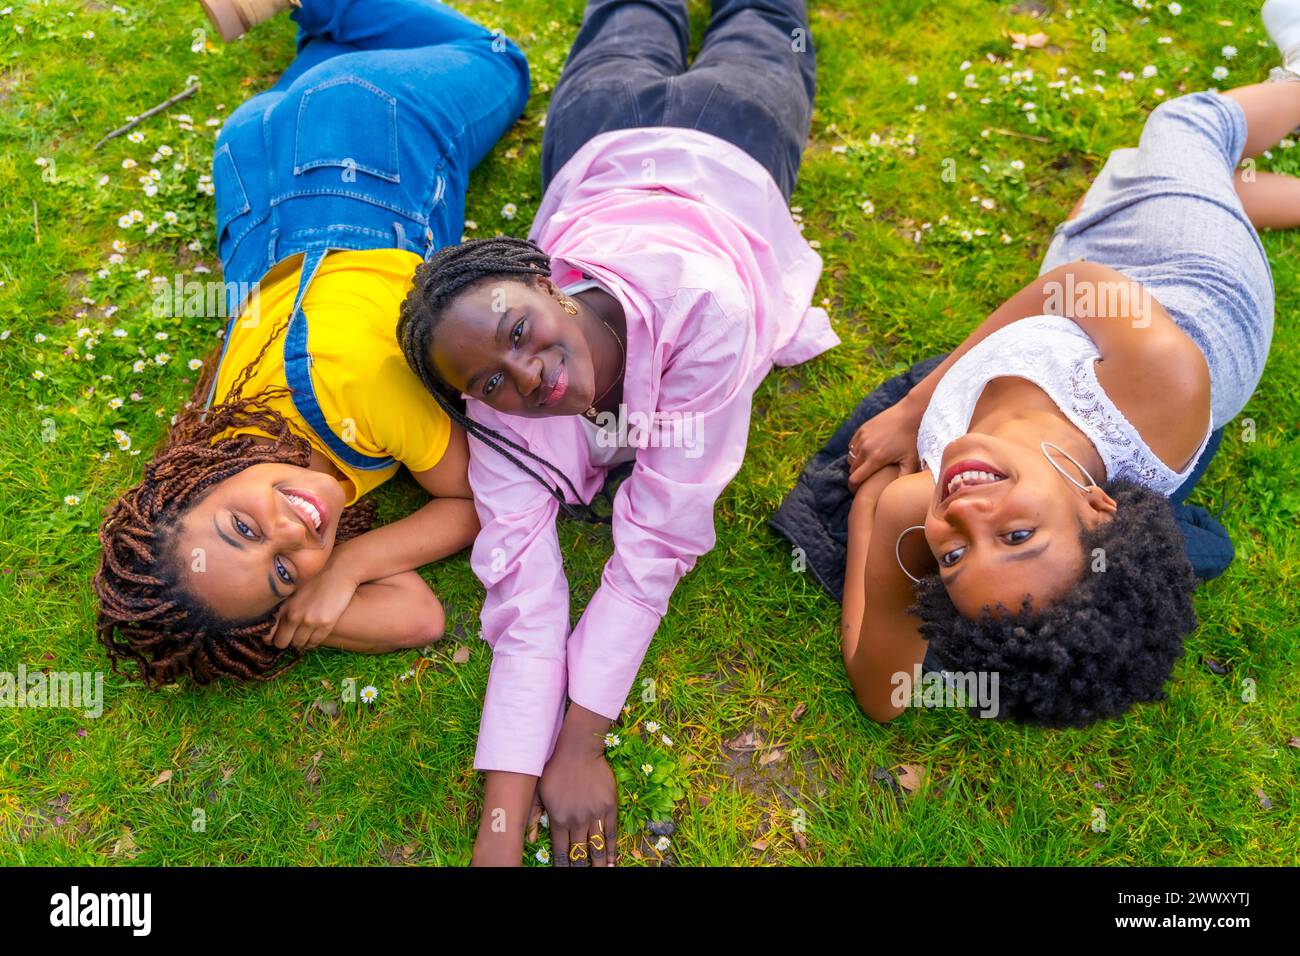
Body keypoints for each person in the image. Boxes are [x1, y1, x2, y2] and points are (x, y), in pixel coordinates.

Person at [397, 0, 837, 865]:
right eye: (490, 378)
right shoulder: (497, 410)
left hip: (707, 137)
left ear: (545, 274)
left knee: (718, 16)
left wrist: (581, 742)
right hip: (654, 153)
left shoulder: (706, 311)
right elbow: (523, 599)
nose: (522, 377)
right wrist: (500, 822)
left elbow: (657, 543)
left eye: (517, 331)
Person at [840, 1, 1297, 729]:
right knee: (1182, 127)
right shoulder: (1161, 381)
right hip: (1198, 288)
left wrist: (891, 526)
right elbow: (1064, 286)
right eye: (1017, 536)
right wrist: (910, 408)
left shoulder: (926, 513)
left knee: (1120, 190)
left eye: (954, 559)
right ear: (1096, 507)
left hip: (1094, 296)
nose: (962, 514)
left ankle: (1223, 189)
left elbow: (882, 695)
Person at [93, 0, 529, 686]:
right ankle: (318, 24)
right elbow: (415, 615)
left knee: (501, 62)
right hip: (252, 165)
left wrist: (350, 564)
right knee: (333, 47)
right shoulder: (210, 442)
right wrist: (247, 615)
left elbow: (470, 503)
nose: (294, 533)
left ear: (198, 486)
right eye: (283, 571)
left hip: (362, 142)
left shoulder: (361, 385)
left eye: (243, 529)